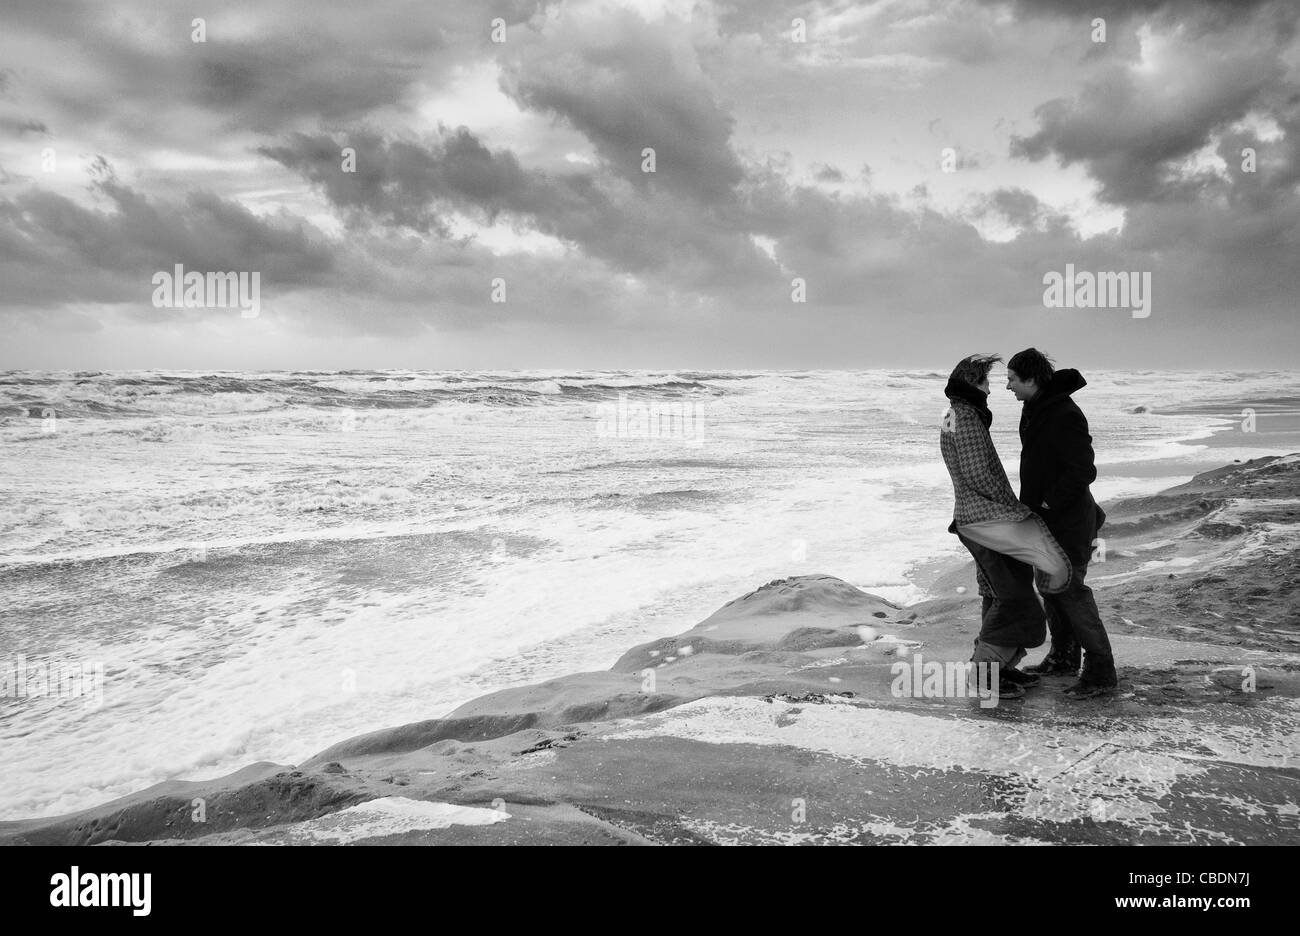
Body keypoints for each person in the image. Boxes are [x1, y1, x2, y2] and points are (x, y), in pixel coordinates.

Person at [939, 354, 1074, 699]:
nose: (991, 390)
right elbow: (976, 473)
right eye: (985, 383)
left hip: (977, 517)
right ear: (972, 384)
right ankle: (984, 675)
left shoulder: (955, 415)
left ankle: (1000, 670)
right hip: (988, 519)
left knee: (995, 593)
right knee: (1014, 598)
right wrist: (1014, 510)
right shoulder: (966, 416)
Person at [1006, 348, 1117, 698]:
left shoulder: (1064, 413)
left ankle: (1100, 671)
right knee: (1052, 589)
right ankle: (1063, 658)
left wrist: (1048, 501)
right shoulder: (1036, 408)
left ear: (1031, 379)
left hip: (1067, 522)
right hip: (1046, 521)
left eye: (1012, 379)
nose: (1007, 386)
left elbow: (1084, 469)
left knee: (1071, 591)